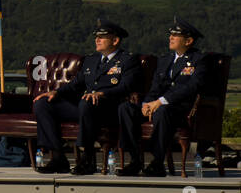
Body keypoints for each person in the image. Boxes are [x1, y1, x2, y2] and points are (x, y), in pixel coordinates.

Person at [33, 19, 134, 175]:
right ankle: (58, 157)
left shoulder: (127, 60)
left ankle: (87, 159)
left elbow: (126, 87)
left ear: (115, 40)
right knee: (43, 104)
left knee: (86, 102)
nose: (97, 40)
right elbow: (75, 84)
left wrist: (103, 93)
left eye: (102, 37)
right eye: (96, 37)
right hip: (86, 106)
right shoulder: (91, 60)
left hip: (109, 108)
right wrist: (56, 92)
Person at [116, 17, 205, 177]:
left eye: (175, 36)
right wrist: (146, 103)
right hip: (157, 105)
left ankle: (157, 162)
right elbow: (155, 86)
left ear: (189, 40)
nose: (170, 38)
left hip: (180, 109)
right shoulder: (165, 60)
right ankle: (135, 160)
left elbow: (192, 87)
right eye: (170, 35)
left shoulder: (199, 60)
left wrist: (161, 101)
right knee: (126, 108)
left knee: (163, 111)